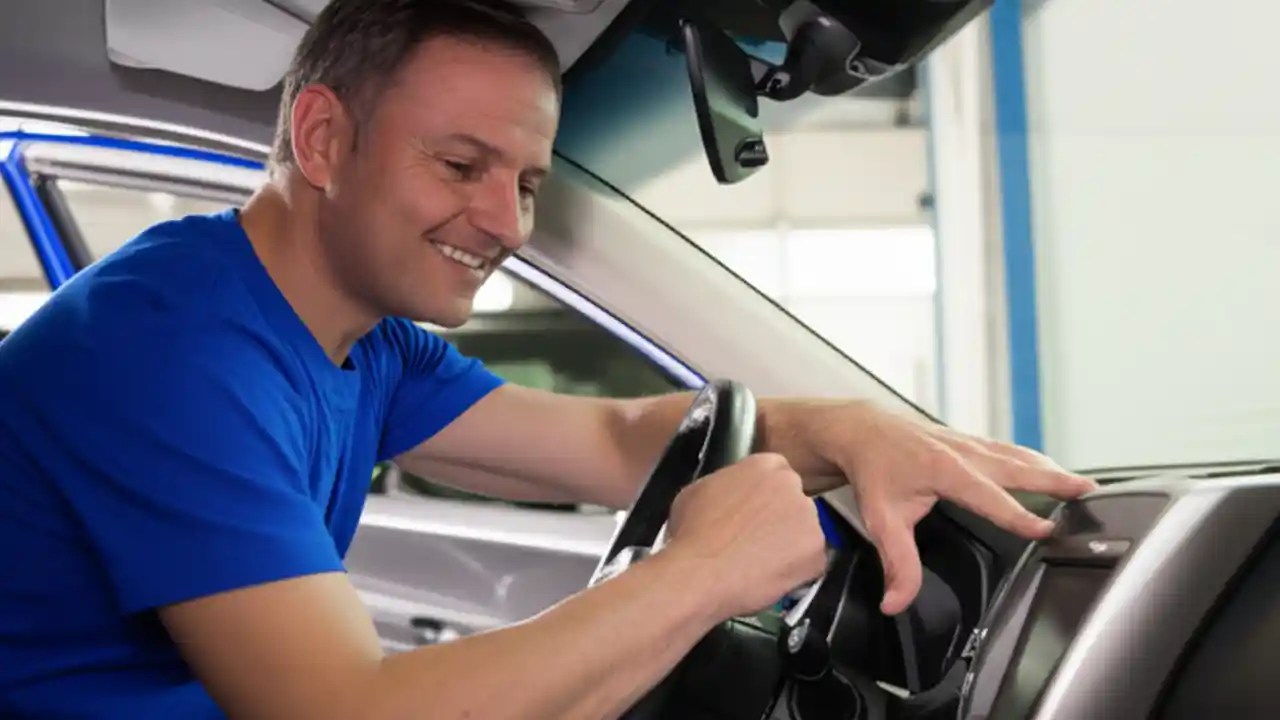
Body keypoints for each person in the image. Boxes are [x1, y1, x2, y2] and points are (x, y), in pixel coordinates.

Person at [0, 1, 1094, 717]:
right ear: (325, 141)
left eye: (523, 183)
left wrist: (851, 428)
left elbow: (619, 440)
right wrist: (696, 575)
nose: (507, 222)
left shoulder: (355, 339)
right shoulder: (171, 350)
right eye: (461, 164)